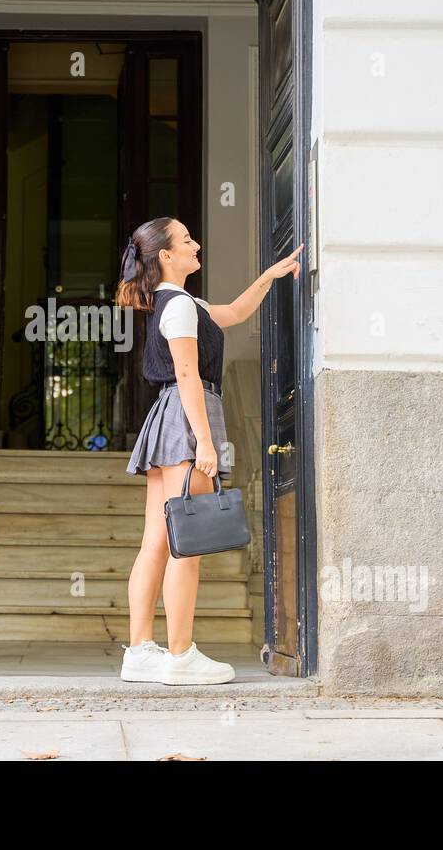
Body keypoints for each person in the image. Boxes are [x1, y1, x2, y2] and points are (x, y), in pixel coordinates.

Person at [115, 216, 302, 684]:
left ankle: (140, 652)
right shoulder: (177, 306)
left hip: (168, 417)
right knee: (187, 546)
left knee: (158, 542)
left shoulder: (181, 302)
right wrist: (204, 440)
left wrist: (270, 275)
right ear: (166, 256)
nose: (196, 244)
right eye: (186, 240)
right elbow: (187, 376)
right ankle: (180, 656)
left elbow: (236, 312)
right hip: (185, 416)